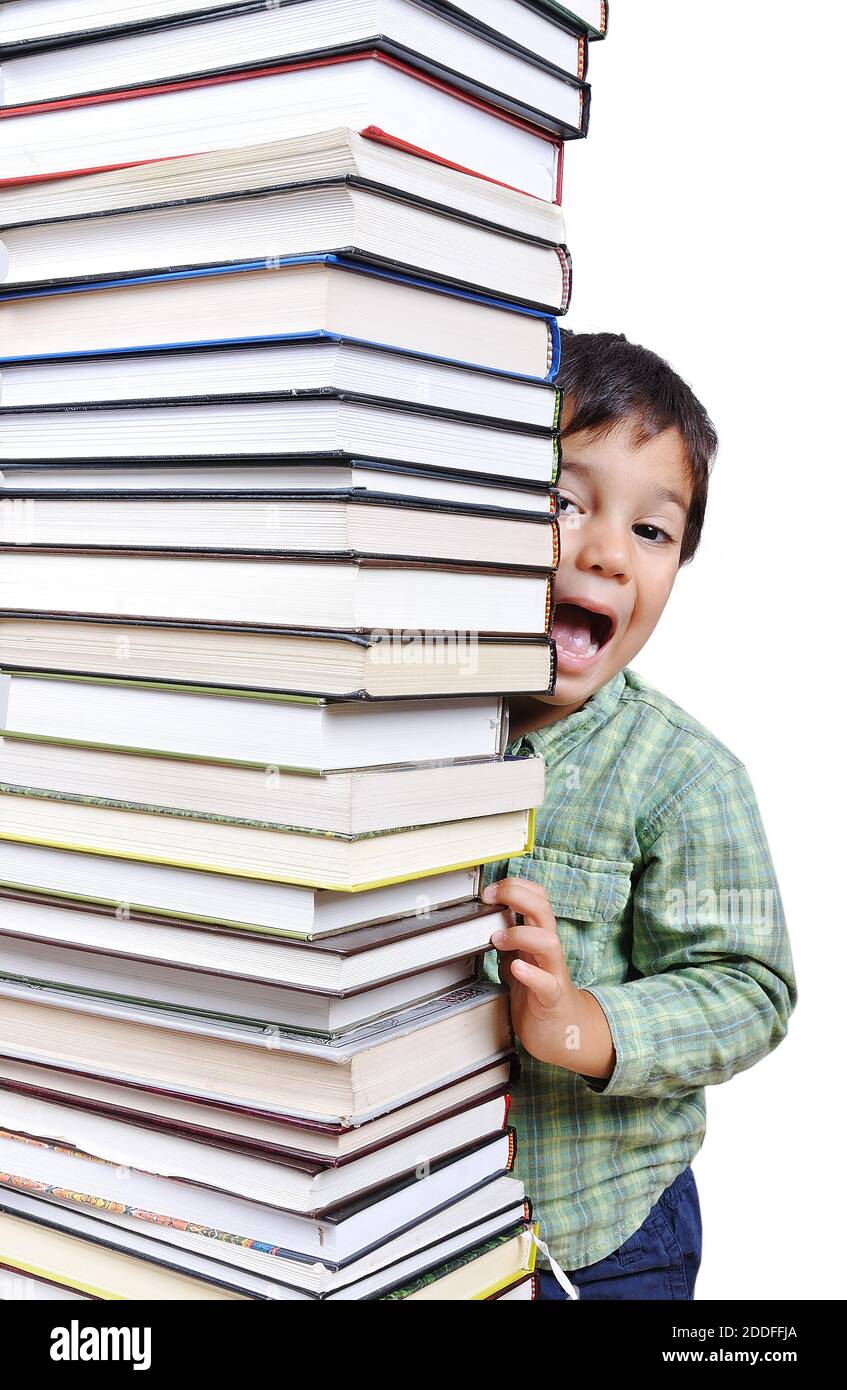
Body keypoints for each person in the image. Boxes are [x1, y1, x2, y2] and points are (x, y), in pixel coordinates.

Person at [481, 332, 798, 1300]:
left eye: (651, 532)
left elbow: (750, 988)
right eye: (560, 501)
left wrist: (578, 1023)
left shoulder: (683, 774)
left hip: (602, 1236)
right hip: (425, 1224)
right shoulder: (397, 727)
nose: (605, 552)